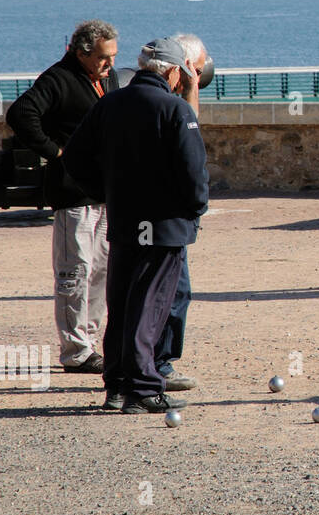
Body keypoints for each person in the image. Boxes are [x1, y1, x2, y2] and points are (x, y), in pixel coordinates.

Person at [62, 38, 209, 413]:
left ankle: (116, 386)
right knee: (152, 303)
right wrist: (195, 209)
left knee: (123, 303)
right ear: (174, 72)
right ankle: (144, 389)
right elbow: (194, 173)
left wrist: (104, 192)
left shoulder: (109, 105)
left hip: (125, 219)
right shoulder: (175, 109)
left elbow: (74, 158)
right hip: (165, 224)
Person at [5, 19, 120, 374]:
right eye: (103, 57)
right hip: (73, 194)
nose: (110, 64)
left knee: (101, 271)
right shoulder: (57, 78)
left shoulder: (107, 78)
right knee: (75, 271)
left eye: (113, 57)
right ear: (83, 53)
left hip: (104, 191)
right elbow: (21, 114)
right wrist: (56, 153)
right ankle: (75, 350)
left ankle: (90, 342)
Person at [151, 32, 208, 392]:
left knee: (141, 291)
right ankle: (159, 364)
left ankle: (143, 362)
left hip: (138, 213)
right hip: (164, 215)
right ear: (181, 69)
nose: (199, 77)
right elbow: (192, 149)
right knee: (174, 290)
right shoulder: (166, 105)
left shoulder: (161, 101)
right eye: (196, 70)